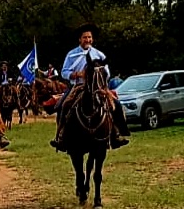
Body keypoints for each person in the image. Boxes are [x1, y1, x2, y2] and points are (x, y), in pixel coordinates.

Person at [49, 23, 131, 152]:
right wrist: (76, 74)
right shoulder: (71, 55)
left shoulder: (99, 54)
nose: (88, 40)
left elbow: (108, 72)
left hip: (98, 86)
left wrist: (100, 75)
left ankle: (116, 134)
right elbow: (64, 72)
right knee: (63, 105)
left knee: (116, 104)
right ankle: (60, 137)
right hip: (78, 85)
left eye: (89, 37)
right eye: (85, 37)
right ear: (80, 39)